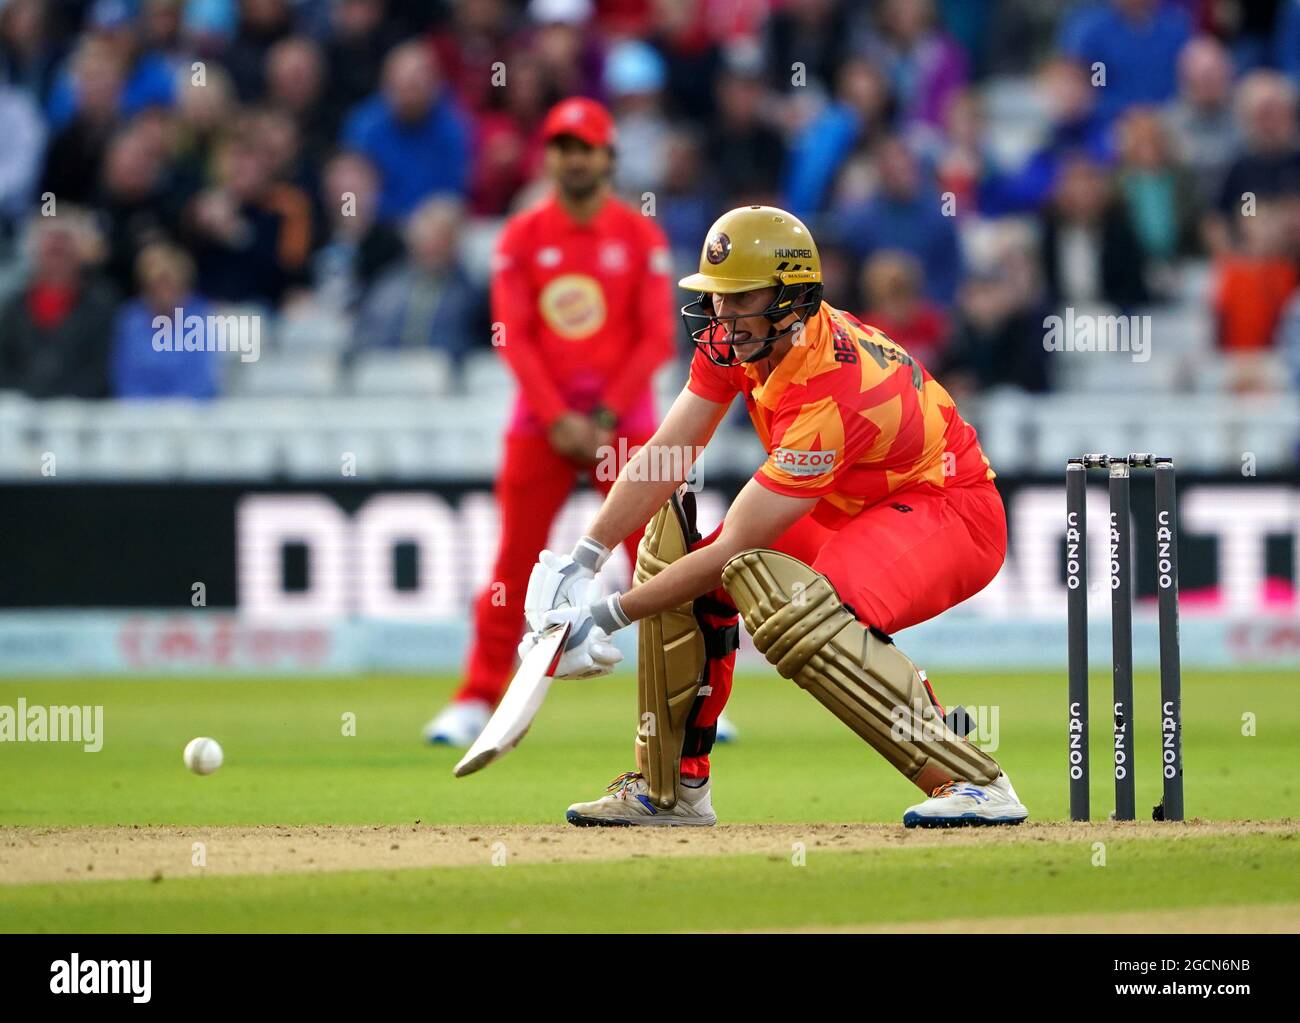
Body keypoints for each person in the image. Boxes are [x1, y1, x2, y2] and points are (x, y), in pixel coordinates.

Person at [519, 205, 1027, 828]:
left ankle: (973, 780)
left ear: (794, 296)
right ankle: (672, 791)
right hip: (854, 501)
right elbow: (666, 456)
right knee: (689, 574)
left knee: (797, 608)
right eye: (717, 298)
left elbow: (739, 542)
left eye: (742, 298)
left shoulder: (833, 389)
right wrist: (581, 558)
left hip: (950, 508)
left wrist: (602, 615)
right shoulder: (743, 341)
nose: (724, 316)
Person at [423, 97, 698, 747]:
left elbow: (656, 339)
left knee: (659, 560)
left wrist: (599, 416)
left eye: (585, 147)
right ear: (548, 156)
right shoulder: (520, 236)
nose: (572, 158)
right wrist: (560, 418)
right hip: (542, 426)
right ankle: (476, 695)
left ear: (608, 156)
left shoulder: (639, 237)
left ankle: (692, 694)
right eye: (561, 146)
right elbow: (511, 336)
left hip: (623, 424)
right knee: (516, 562)